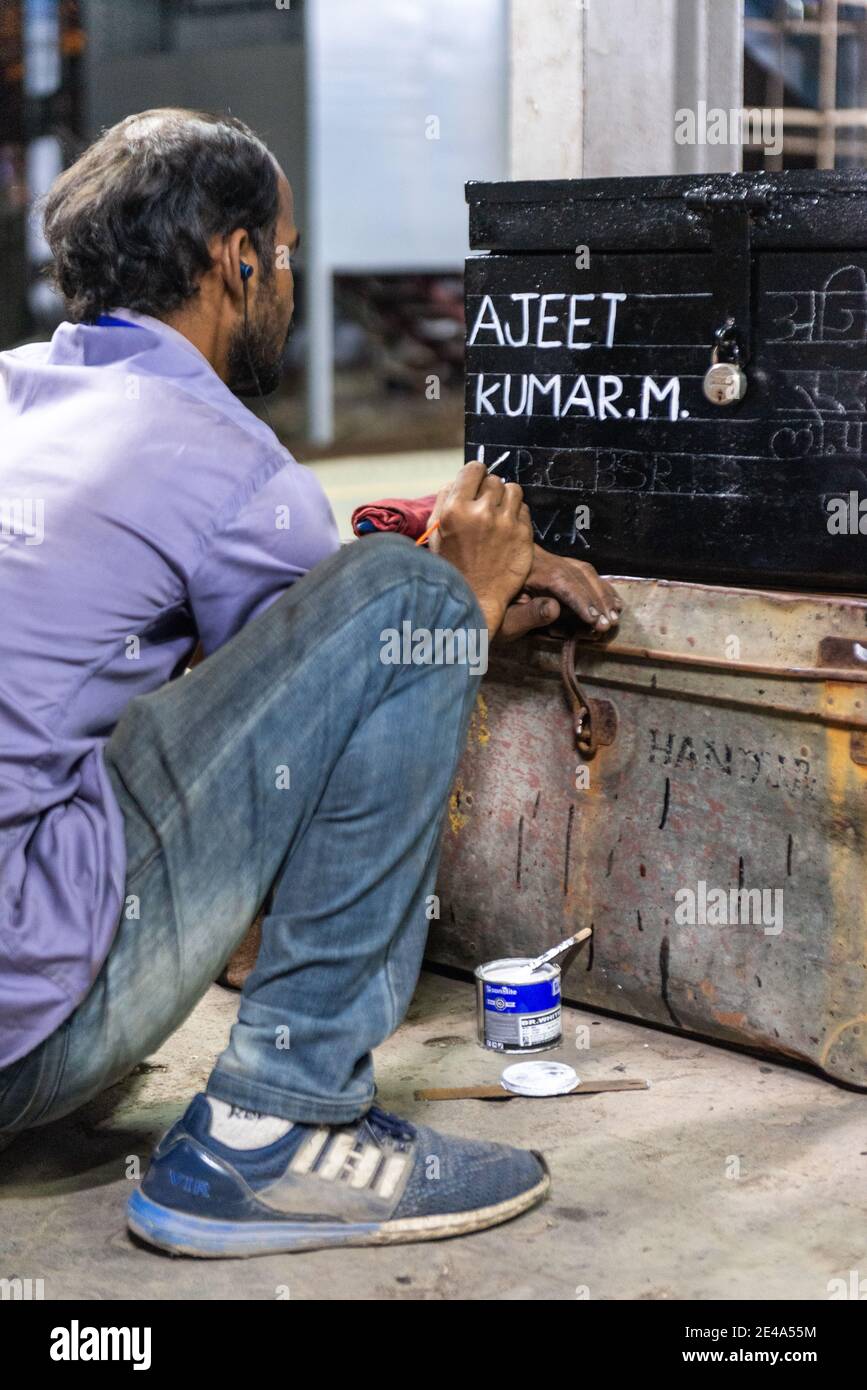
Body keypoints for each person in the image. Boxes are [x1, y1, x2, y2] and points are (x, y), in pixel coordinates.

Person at [0, 109, 622, 1256]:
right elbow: (332, 736)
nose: (287, 275)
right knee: (404, 600)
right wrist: (463, 603)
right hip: (22, 1050)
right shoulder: (226, 457)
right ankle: (278, 1131)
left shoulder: (16, 396)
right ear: (238, 261)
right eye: (285, 250)